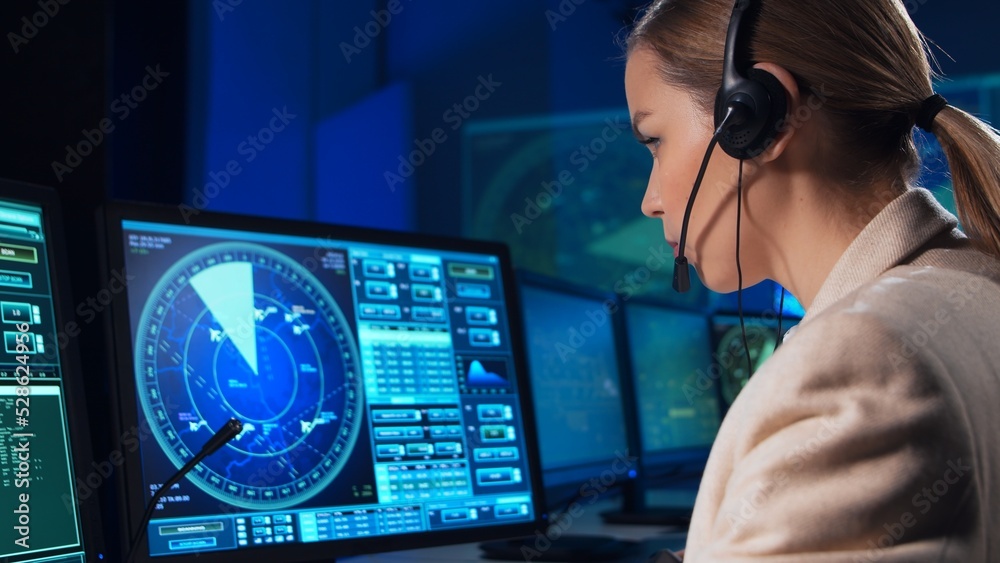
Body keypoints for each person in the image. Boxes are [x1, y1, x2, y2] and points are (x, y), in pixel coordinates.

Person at [623, 0, 1000, 561]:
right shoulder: (976, 280)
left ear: (757, 116)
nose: (650, 202)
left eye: (655, 140)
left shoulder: (855, 371)